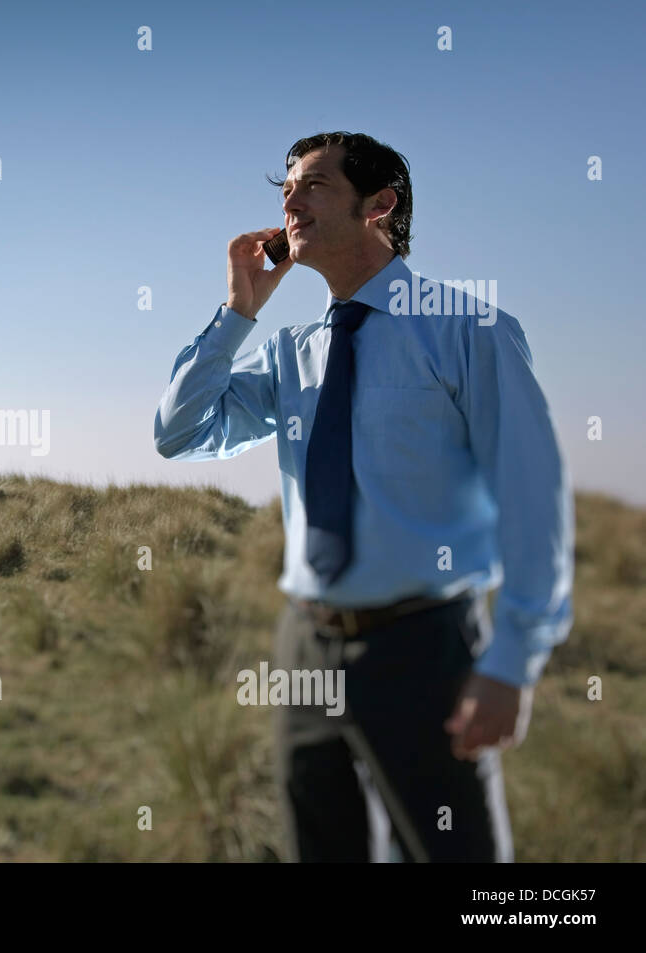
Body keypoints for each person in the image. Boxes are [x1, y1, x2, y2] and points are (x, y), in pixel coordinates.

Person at [154, 132, 573, 862]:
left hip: (426, 649)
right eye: (284, 186)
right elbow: (179, 432)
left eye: (314, 184)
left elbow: (533, 500)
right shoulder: (293, 351)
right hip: (305, 643)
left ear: (380, 205)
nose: (289, 200)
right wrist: (238, 313)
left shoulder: (470, 331)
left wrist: (512, 662)